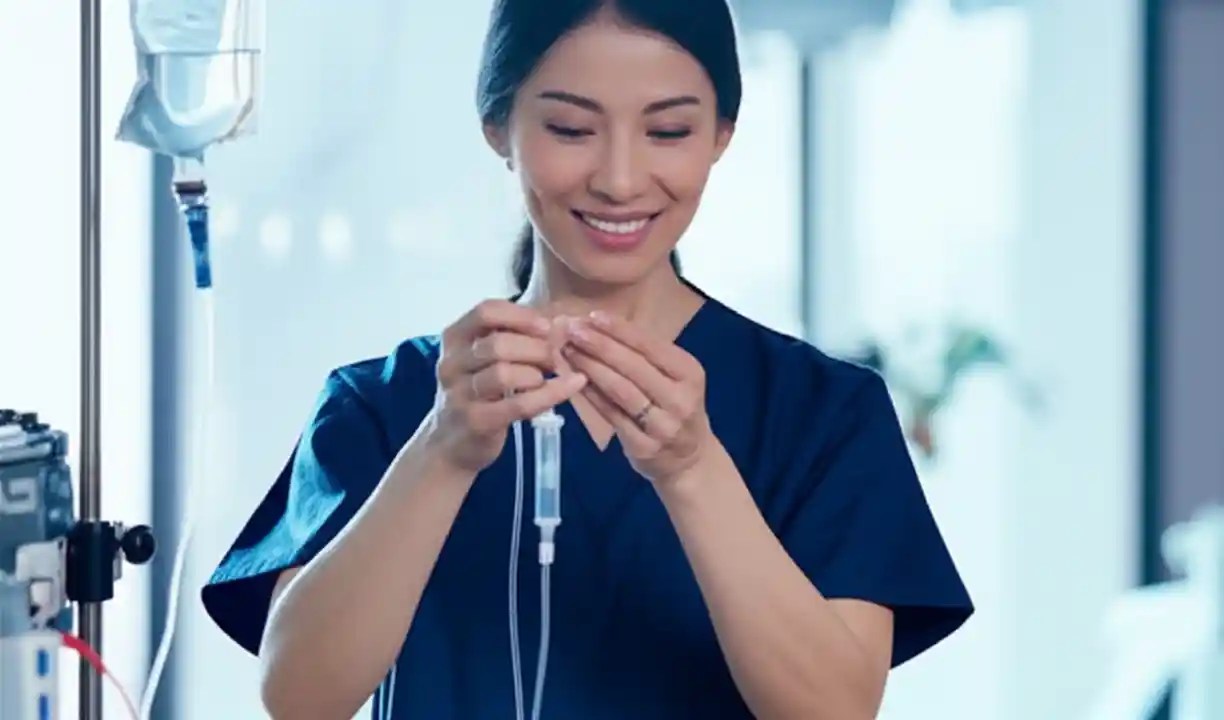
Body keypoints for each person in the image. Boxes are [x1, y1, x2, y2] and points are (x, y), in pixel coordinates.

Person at [200, 0, 973, 717]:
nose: (619, 180)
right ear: (498, 128)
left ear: (721, 136)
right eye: (571, 129)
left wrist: (692, 469)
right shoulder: (382, 406)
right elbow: (298, 696)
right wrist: (441, 453)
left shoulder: (822, 414)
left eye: (668, 131)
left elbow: (834, 710)